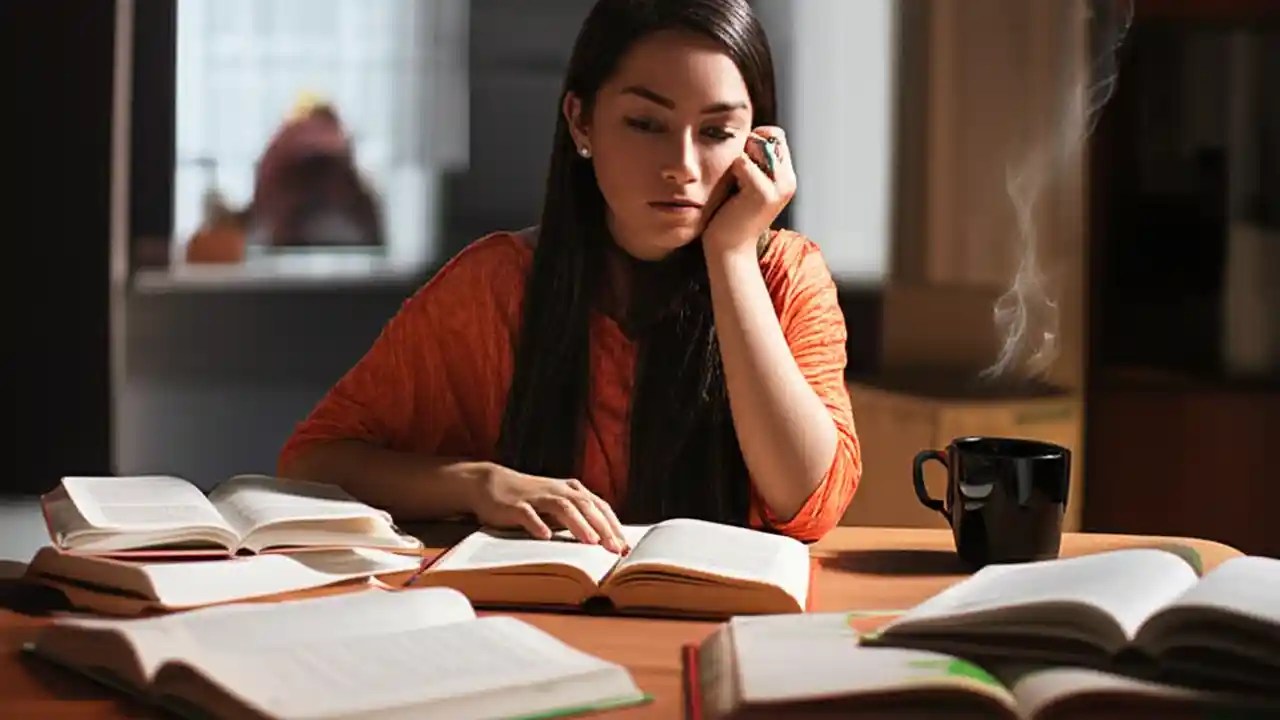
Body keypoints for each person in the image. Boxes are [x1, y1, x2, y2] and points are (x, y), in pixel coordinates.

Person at [277, 0, 861, 554]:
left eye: (715, 133)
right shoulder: (496, 284)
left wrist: (731, 256)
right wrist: (478, 484)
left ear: (758, 140)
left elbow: (806, 500)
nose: (682, 167)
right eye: (645, 123)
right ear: (582, 122)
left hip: (729, 618)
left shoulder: (785, 274)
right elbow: (313, 461)